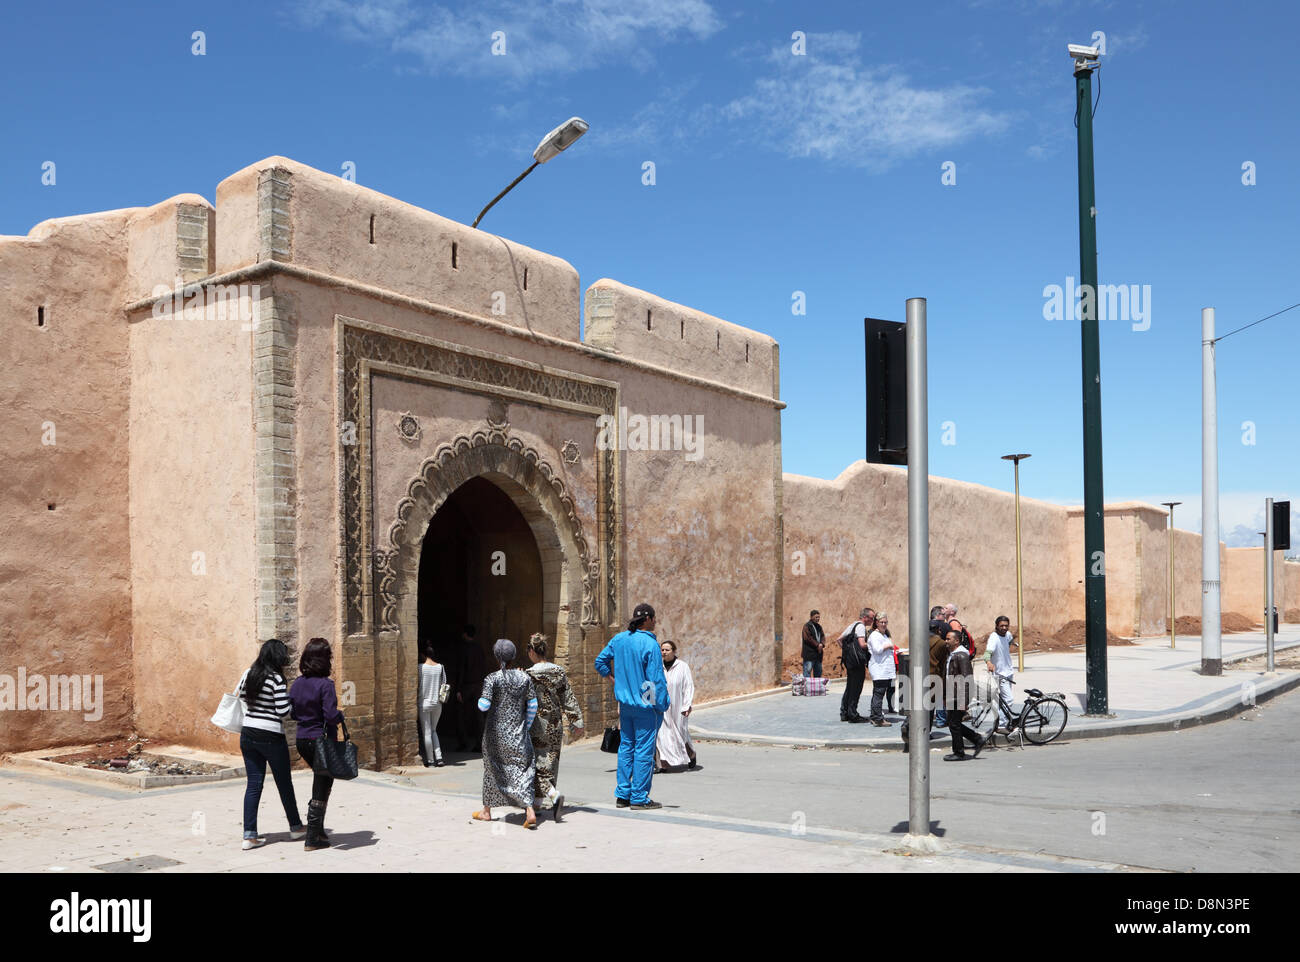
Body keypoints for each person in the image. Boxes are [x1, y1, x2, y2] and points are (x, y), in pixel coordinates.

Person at [594, 602, 671, 810]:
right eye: (653, 618)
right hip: (646, 706)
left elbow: (600, 661)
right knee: (644, 751)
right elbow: (655, 679)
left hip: (625, 705)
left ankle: (623, 794)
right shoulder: (650, 644)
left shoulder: (619, 639)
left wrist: (614, 680)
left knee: (626, 748)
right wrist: (662, 704)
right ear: (648, 620)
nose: (655, 622)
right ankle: (639, 797)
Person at [236, 638, 304, 849]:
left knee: (254, 785)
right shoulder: (276, 678)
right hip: (271, 735)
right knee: (284, 782)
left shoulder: (249, 673)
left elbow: (240, 696)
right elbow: (283, 711)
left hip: (247, 733)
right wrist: (294, 704)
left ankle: (249, 835)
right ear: (278, 657)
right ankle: (295, 827)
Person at [473, 639, 540, 829]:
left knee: (492, 769)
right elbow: (533, 705)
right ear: (513, 656)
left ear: (496, 657)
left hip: (495, 735)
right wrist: (525, 726)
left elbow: (483, 706)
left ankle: (487, 812)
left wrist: (482, 698)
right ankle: (530, 811)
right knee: (523, 769)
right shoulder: (524, 678)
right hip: (518, 733)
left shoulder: (492, 678)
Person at [289, 637, 345, 851]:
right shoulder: (326, 685)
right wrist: (339, 716)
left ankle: (319, 831)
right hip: (321, 740)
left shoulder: (297, 684)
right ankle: (312, 837)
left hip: (303, 739)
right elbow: (330, 716)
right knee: (322, 785)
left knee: (323, 782)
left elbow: (293, 712)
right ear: (325, 660)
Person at [525, 633, 583, 822]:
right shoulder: (558, 671)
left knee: (536, 765)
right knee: (550, 762)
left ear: (532, 651)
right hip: (555, 724)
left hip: (536, 726)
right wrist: (576, 721)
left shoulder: (529, 674)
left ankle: (553, 795)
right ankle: (537, 803)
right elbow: (568, 697)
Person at [942, 629, 988, 761]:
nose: (946, 641)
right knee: (952, 723)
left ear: (956, 641)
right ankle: (977, 739)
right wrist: (945, 696)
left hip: (958, 695)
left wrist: (964, 700)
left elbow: (967, 680)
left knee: (954, 724)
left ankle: (959, 752)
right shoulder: (951, 654)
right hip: (951, 694)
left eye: (948, 639)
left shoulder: (961, 656)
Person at [655, 640, 697, 772]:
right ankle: (663, 764)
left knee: (681, 733)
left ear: (674, 651)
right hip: (661, 706)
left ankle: (691, 754)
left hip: (678, 706)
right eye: (662, 650)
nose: (664, 652)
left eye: (667, 650)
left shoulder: (682, 666)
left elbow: (688, 686)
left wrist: (687, 705)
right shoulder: (657, 666)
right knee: (662, 735)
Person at [454, 624, 486, 753]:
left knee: (459, 713)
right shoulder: (480, 648)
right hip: (479, 685)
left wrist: (458, 689)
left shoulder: (464, 649)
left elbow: (461, 669)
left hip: (467, 686)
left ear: (465, 634)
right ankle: (480, 744)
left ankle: (463, 742)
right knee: (479, 716)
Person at [838, 608, 873, 723]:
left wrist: (847, 652)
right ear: (865, 617)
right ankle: (853, 714)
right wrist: (873, 645)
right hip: (858, 662)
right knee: (856, 688)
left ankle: (844, 712)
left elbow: (839, 639)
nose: (872, 620)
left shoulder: (852, 625)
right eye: (871, 618)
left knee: (849, 687)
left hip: (850, 662)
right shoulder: (861, 627)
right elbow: (862, 644)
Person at [984, 615, 1019, 731]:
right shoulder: (993, 638)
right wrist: (989, 663)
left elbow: (1009, 640)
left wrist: (1013, 644)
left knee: (1004, 700)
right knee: (1008, 699)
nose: (1004, 628)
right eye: (1001, 626)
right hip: (1000, 674)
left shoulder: (1008, 634)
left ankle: (1002, 720)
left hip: (1009, 671)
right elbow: (987, 653)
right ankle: (1001, 725)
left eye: (1006, 626)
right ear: (996, 626)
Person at [418, 643, 446, 767]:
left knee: (427, 733)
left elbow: (416, 684)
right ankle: (439, 758)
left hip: (424, 703)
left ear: (423, 654)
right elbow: (444, 684)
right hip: (437, 703)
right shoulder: (440, 667)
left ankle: (430, 760)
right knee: (434, 730)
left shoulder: (420, 667)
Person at [866, 612, 895, 726]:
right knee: (879, 694)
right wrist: (888, 646)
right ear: (876, 623)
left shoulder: (884, 635)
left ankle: (875, 716)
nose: (883, 624)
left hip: (885, 669)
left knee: (878, 693)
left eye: (885, 622)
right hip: (879, 669)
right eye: (881, 622)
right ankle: (878, 719)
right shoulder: (874, 635)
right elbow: (877, 649)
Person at [801, 610, 826, 678]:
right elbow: (808, 638)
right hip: (809, 655)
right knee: (807, 673)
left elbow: (823, 636)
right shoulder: (807, 626)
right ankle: (807, 688)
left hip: (818, 655)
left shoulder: (819, 627)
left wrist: (822, 644)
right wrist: (817, 645)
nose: (818, 619)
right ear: (811, 617)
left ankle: (816, 688)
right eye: (816, 617)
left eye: (819, 617)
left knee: (818, 673)